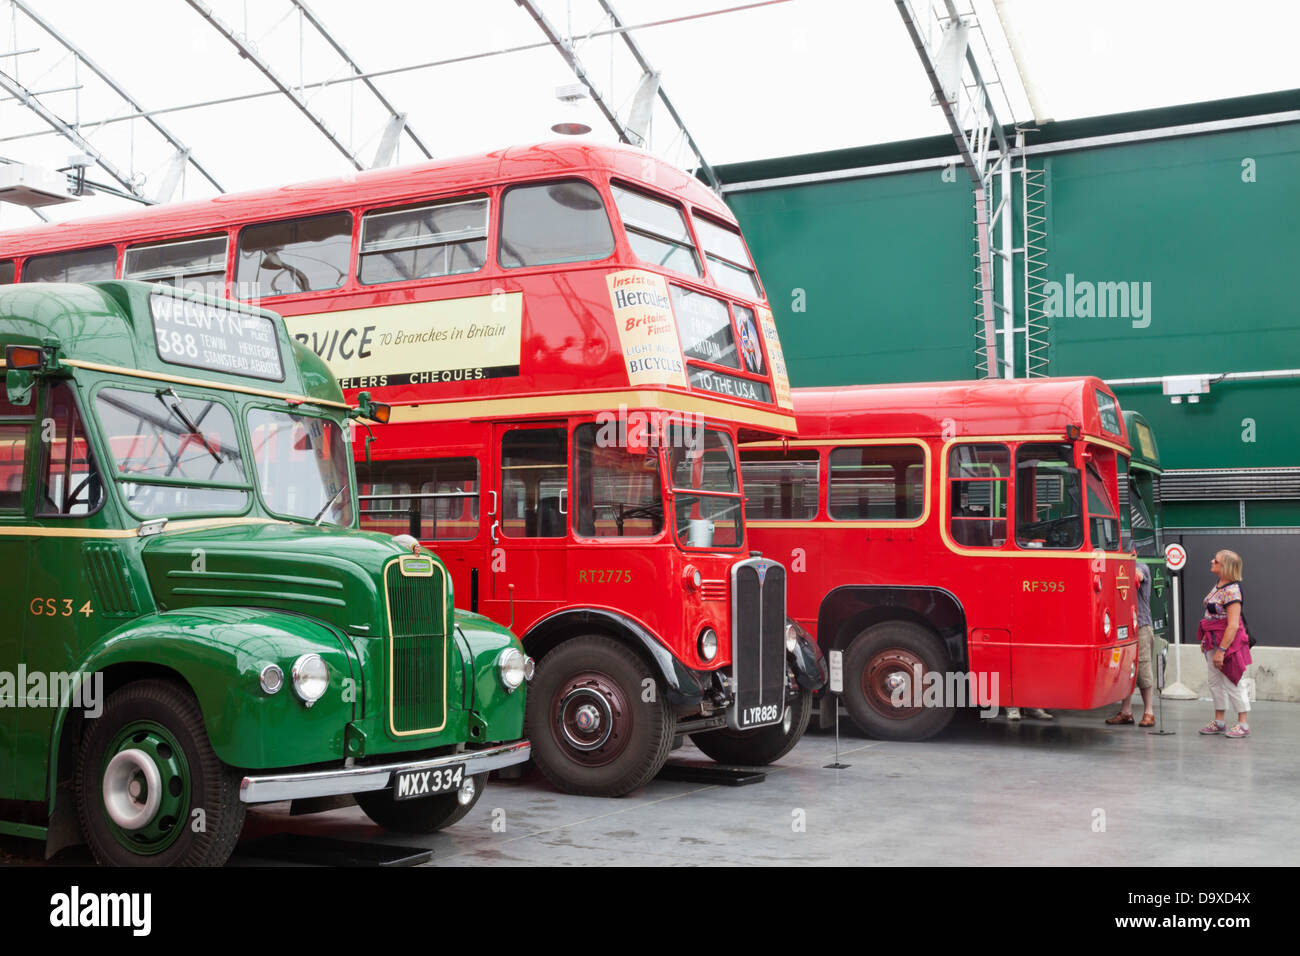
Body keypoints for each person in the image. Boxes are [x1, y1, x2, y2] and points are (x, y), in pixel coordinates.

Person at [1197, 549, 1252, 738]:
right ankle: (1219, 720)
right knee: (1215, 681)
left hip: (1226, 643)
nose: (1212, 561)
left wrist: (1222, 650)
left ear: (1226, 567)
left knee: (1233, 679)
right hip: (1213, 641)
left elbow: (1233, 625)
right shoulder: (1219, 585)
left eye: (1217, 561)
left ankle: (1243, 723)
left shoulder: (1232, 590)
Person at [1105, 562, 1156, 727]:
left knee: (1143, 669)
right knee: (1125, 669)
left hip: (1140, 626)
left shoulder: (1141, 567)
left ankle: (1149, 712)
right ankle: (1126, 712)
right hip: (1123, 627)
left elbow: (1137, 576)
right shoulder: (1117, 567)